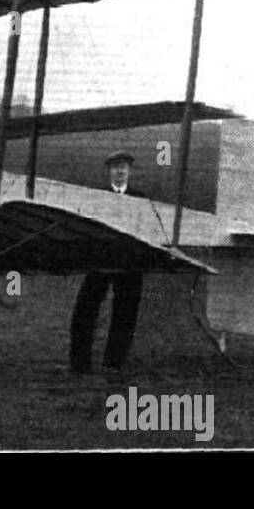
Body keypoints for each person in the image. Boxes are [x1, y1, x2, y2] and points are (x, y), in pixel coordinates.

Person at [69, 150, 147, 375]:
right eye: (115, 167)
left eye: (124, 167)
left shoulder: (140, 198)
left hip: (129, 264)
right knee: (85, 309)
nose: (120, 171)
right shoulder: (97, 197)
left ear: (129, 171)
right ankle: (79, 363)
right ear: (109, 171)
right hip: (101, 260)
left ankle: (113, 362)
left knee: (126, 313)